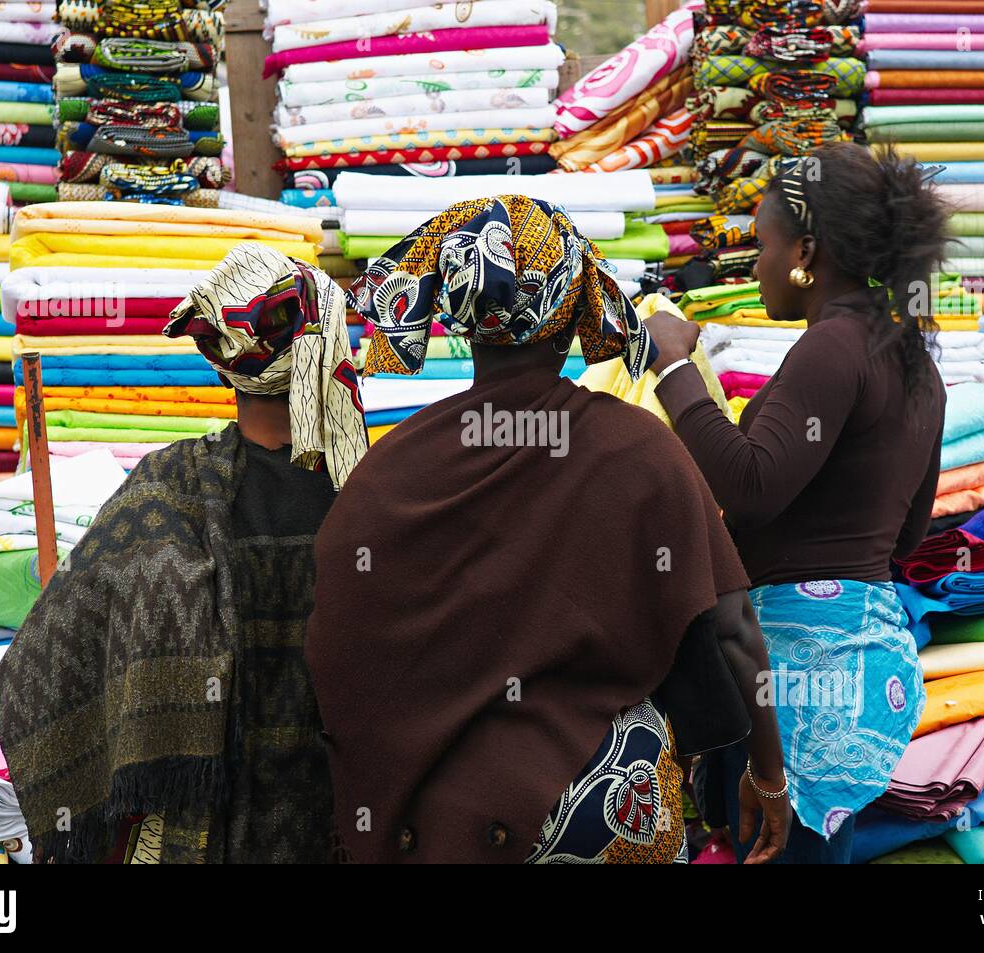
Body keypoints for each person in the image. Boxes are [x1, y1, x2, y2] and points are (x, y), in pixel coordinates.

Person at [306, 195, 791, 864]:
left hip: (450, 826)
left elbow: (338, 646)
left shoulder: (389, 472)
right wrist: (767, 774)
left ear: (461, 321)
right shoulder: (638, 448)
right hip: (611, 803)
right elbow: (735, 629)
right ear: (571, 313)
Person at [0, 242, 368, 863]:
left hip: (205, 840)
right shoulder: (374, 498)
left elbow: (35, 671)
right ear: (327, 349)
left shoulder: (163, 495)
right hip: (345, 834)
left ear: (220, 364)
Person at [644, 142, 950, 863]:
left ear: (807, 251)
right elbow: (907, 535)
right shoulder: (915, 361)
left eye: (763, 245)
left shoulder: (832, 348)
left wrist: (675, 367)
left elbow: (751, 484)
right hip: (864, 663)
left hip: (796, 680)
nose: (755, 265)